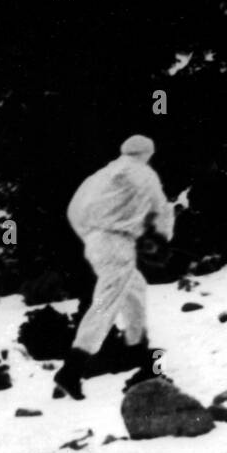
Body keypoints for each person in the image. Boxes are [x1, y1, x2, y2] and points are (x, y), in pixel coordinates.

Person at [53, 135, 176, 400]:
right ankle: (72, 369)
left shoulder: (101, 175)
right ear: (148, 153)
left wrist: (94, 235)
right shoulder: (144, 173)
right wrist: (162, 239)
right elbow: (161, 209)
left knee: (134, 289)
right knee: (106, 302)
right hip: (117, 244)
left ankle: (138, 353)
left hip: (94, 241)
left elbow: (74, 210)